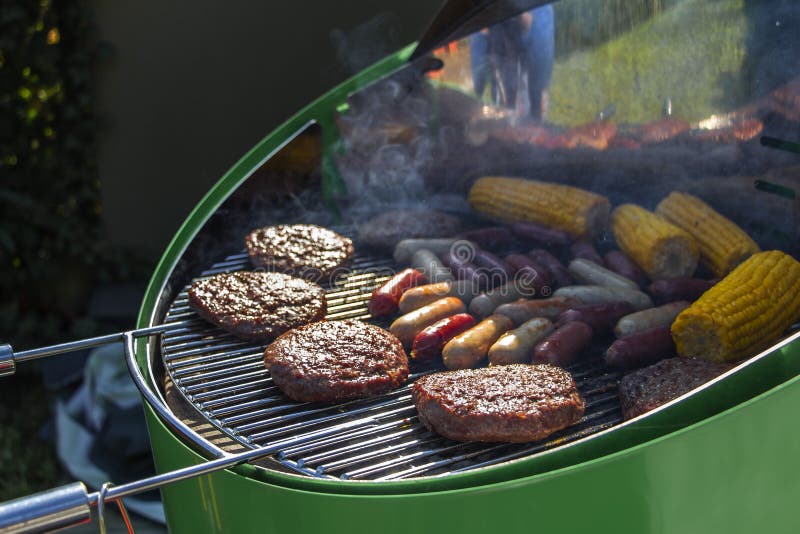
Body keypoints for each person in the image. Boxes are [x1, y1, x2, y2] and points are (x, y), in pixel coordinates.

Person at [469, 5, 555, 120]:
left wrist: (476, 90)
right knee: (506, 115)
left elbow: (542, 45)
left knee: (524, 119)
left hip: (519, 62)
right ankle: (529, 119)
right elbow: (478, 42)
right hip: (503, 63)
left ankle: (531, 119)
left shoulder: (539, 11)